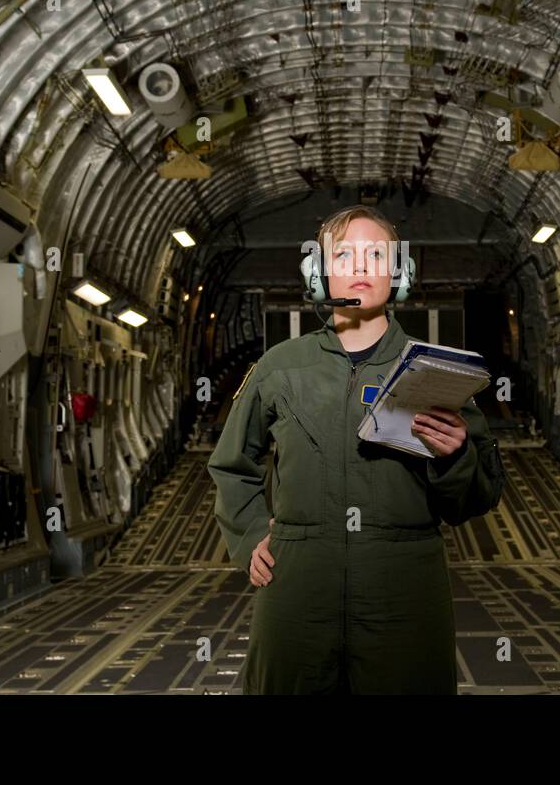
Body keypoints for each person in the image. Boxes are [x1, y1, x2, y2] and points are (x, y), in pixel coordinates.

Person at [207, 205, 505, 694]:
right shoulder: (280, 367)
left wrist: (455, 457)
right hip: (296, 587)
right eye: (343, 254)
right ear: (320, 273)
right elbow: (231, 464)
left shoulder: (435, 374)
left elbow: (473, 500)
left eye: (376, 254)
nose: (361, 266)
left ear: (399, 273)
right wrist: (250, 536)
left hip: (406, 590)